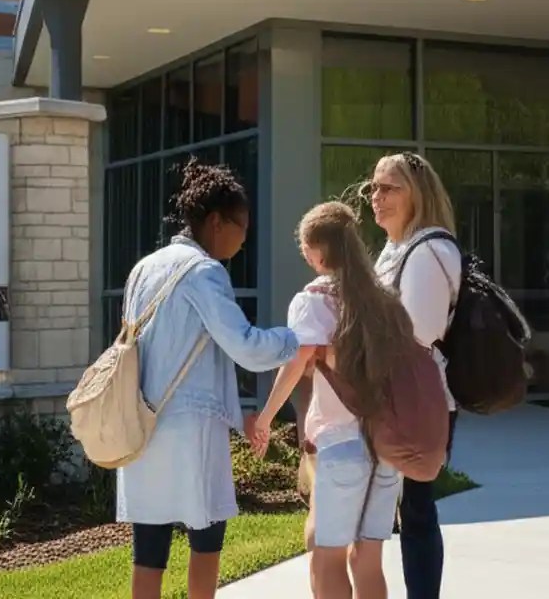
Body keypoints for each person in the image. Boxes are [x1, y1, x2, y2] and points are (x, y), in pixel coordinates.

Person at [116, 158, 300, 599]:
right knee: (207, 539)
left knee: (149, 551)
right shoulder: (204, 271)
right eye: (242, 228)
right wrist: (298, 338)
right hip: (190, 428)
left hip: (140, 425)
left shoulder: (144, 267)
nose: (243, 240)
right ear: (217, 222)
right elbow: (246, 347)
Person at [253, 201, 412, 599]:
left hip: (341, 446)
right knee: (368, 562)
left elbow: (295, 364)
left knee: (327, 560)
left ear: (318, 253)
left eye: (306, 250)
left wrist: (265, 418)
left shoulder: (313, 300)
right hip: (387, 448)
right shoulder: (385, 300)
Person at [369, 152, 461, 599]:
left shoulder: (429, 250)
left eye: (388, 188)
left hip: (421, 400)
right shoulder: (395, 249)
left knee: (418, 511)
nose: (375, 197)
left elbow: (418, 334)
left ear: (417, 195)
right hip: (395, 397)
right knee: (404, 512)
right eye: (373, 187)